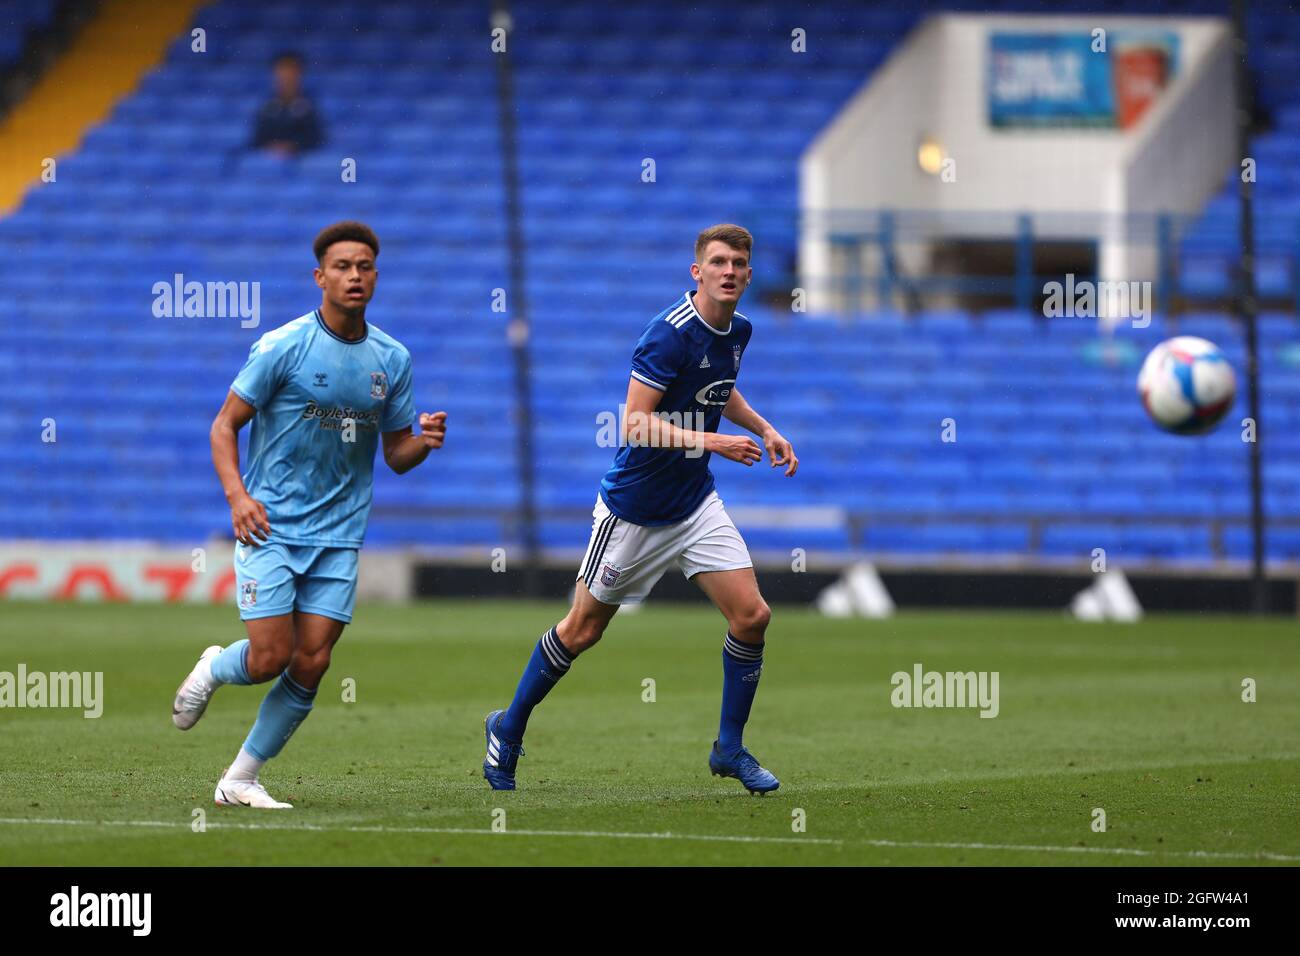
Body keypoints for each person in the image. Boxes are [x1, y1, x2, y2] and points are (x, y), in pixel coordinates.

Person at [482, 223, 799, 794]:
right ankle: (508, 725)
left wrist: (763, 428)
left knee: (752, 615)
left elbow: (717, 389)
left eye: (739, 264)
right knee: (581, 631)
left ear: (750, 274)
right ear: (696, 271)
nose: (729, 271)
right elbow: (633, 423)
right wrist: (715, 442)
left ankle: (729, 749)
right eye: (718, 262)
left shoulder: (737, 330)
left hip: (694, 503)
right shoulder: (667, 335)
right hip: (634, 512)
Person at [171, 221, 447, 809]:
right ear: (320, 277)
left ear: (375, 275)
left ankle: (239, 779)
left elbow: (396, 455)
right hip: (270, 523)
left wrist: (423, 440)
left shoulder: (391, 358)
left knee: (313, 659)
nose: (355, 275)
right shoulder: (283, 345)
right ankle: (215, 668)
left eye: (365, 266)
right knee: (269, 657)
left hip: (340, 534)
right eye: (343, 266)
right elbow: (224, 425)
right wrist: (238, 498)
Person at [249, 52, 325, 156]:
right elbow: (257, 139)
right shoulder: (266, 106)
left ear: (299, 75)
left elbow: (317, 139)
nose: (286, 77)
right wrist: (273, 147)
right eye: (282, 73)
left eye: (290, 73)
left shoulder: (310, 106)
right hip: (271, 161)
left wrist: (293, 147)